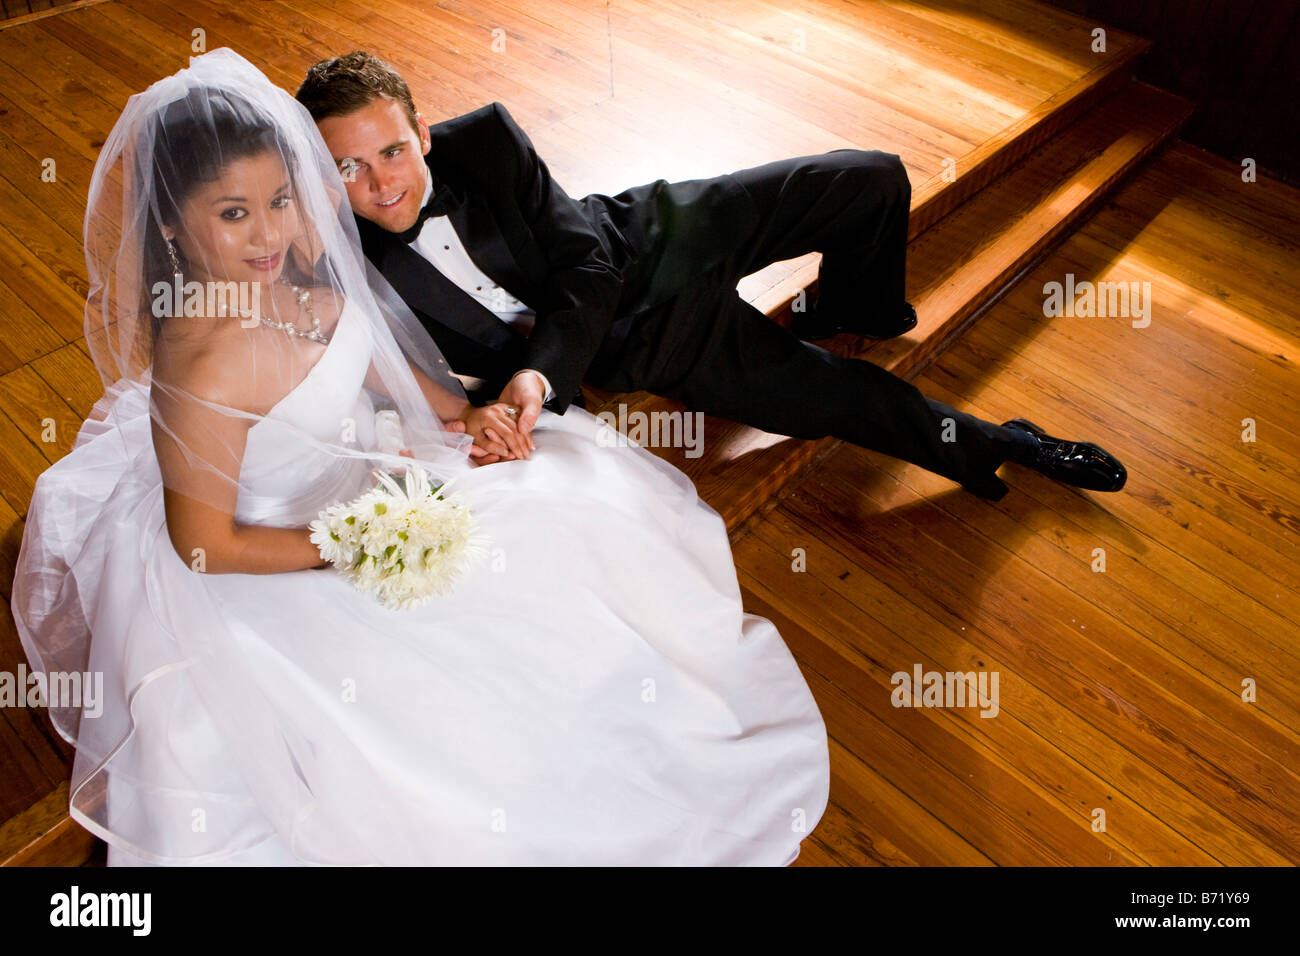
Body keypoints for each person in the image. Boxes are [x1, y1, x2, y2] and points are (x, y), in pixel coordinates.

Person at [10, 48, 829, 866]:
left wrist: (463, 411)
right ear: (170, 224)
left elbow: (367, 356)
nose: (269, 235)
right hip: (265, 557)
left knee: (563, 513)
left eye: (282, 201)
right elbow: (203, 546)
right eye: (233, 214)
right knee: (439, 712)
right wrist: (349, 547)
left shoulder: (305, 276)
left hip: (364, 478)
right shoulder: (204, 364)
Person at [296, 51, 1127, 500]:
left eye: (393, 151)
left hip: (648, 237)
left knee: (868, 175)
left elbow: (583, 259)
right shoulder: (336, 261)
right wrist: (532, 389)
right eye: (351, 169)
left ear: (424, 134)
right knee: (837, 399)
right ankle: (1007, 445)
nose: (381, 184)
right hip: (642, 344)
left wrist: (532, 376)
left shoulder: (485, 137)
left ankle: (859, 305)